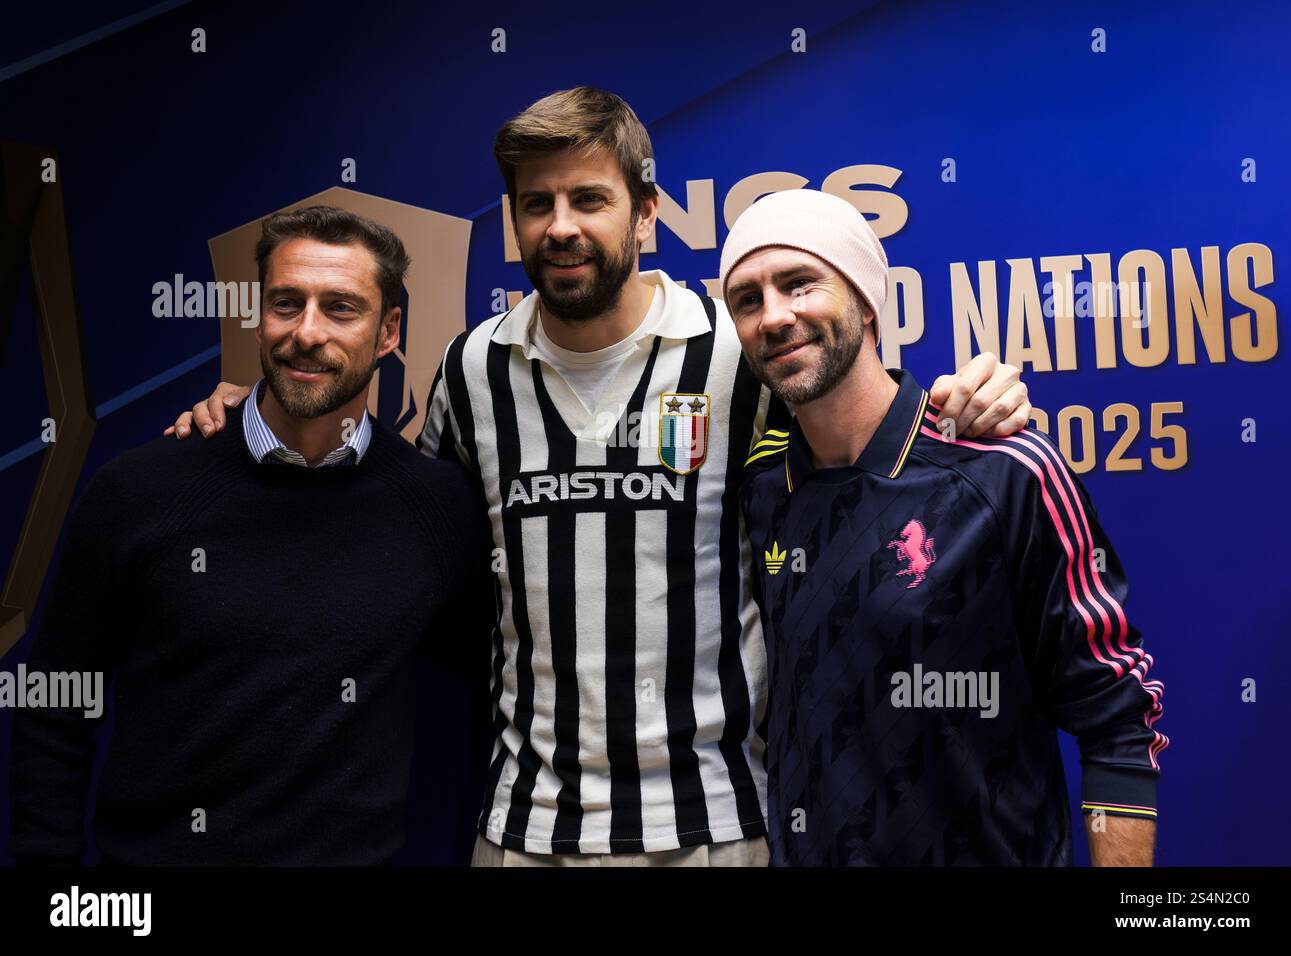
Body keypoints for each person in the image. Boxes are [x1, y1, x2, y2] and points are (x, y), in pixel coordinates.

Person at [165, 87, 1032, 866]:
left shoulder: (737, 349)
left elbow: (859, 442)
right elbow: (389, 520)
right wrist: (259, 415)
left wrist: (969, 399)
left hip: (720, 829)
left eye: (589, 199)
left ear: (646, 214)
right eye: (535, 205)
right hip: (525, 831)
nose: (561, 225)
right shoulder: (473, 371)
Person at [8, 206, 489, 865]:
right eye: (286, 303)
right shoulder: (138, 492)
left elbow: (510, 681)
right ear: (258, 317)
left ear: (389, 332)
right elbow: (55, 709)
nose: (307, 333)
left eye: (341, 308)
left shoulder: (439, 509)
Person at [723, 188, 1167, 866]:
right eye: (748, 300)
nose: (774, 316)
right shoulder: (762, 490)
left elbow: (1118, 718)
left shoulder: (1004, 469)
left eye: (799, 284)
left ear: (868, 304)